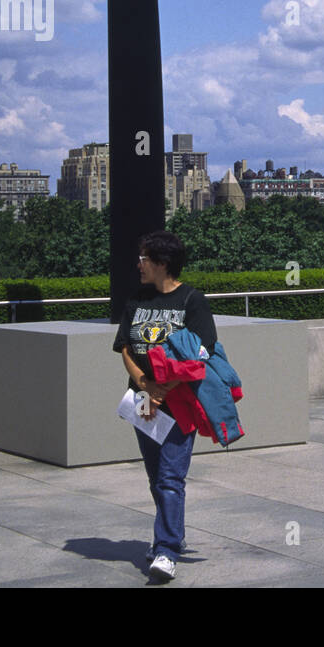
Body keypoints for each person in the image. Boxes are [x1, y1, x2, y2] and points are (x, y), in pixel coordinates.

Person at [113, 230, 219, 581]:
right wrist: (146, 385)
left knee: (172, 477)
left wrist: (165, 389)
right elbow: (126, 347)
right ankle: (170, 535)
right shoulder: (138, 298)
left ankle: (166, 549)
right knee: (156, 476)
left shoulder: (192, 300)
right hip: (143, 399)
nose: (138, 264)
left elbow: (202, 353)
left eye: (144, 258)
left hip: (180, 401)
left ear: (161, 263)